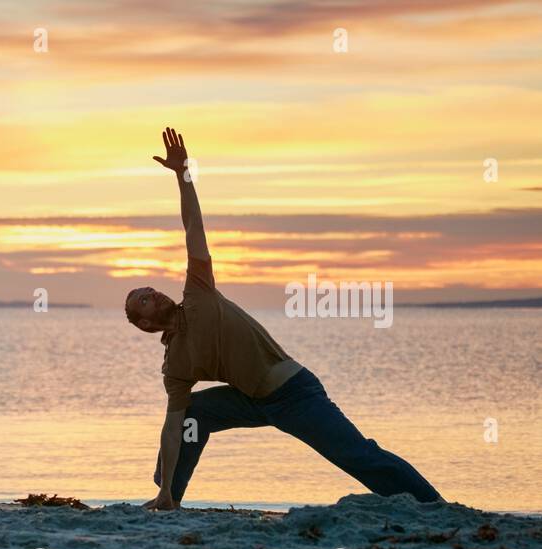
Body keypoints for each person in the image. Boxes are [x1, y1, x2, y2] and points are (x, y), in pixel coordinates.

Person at [126, 127, 441, 511]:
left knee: (357, 455)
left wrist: (183, 174)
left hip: (294, 394)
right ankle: (169, 498)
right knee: (192, 413)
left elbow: (193, 226)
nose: (153, 293)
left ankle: (433, 505)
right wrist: (163, 489)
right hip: (251, 401)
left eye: (150, 289)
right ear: (144, 324)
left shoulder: (198, 295)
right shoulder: (175, 366)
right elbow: (173, 429)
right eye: (143, 299)